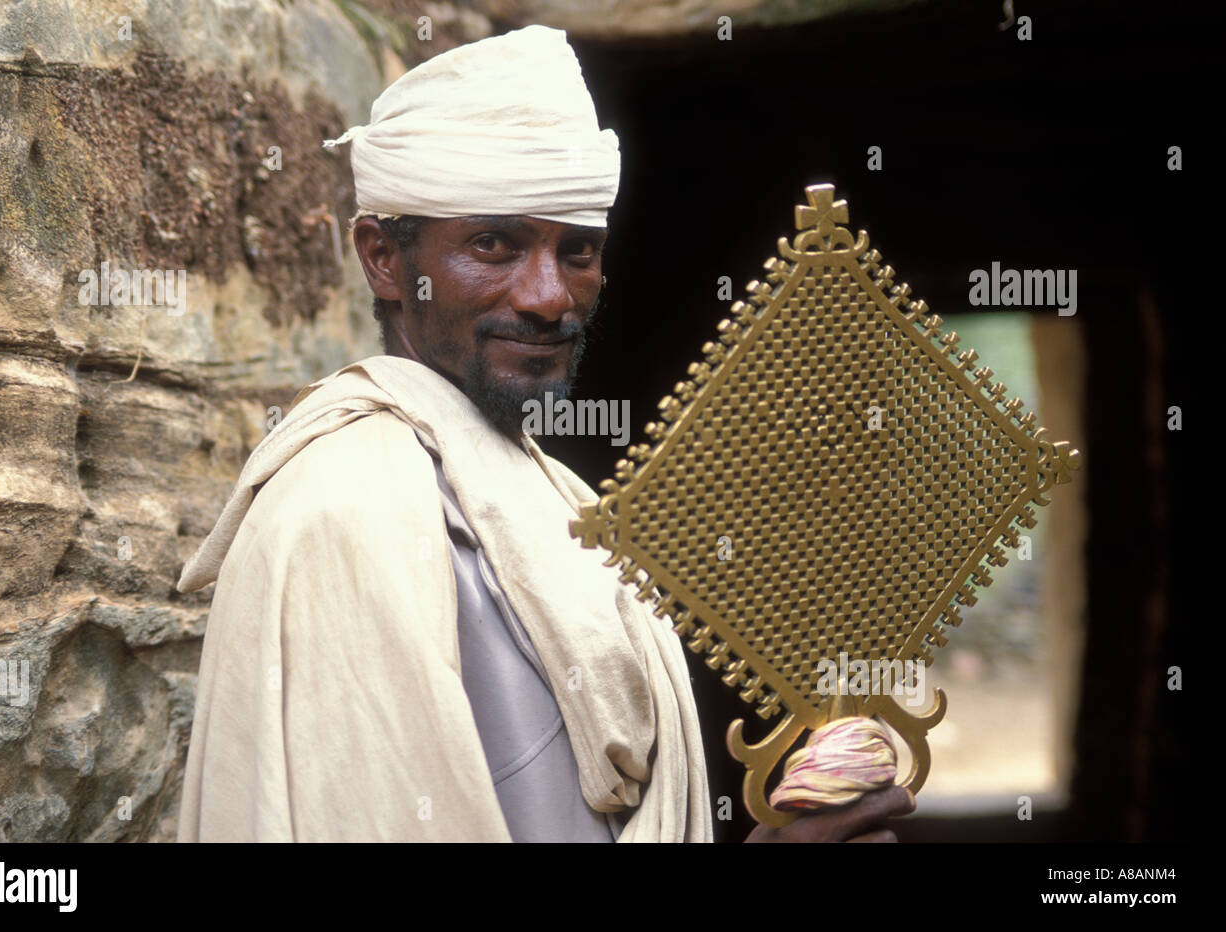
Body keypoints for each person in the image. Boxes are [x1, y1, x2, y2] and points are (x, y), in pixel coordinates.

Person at [175, 24, 913, 842]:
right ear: (384, 259)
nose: (548, 296)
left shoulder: (555, 499)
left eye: (579, 252)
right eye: (494, 244)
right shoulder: (341, 514)